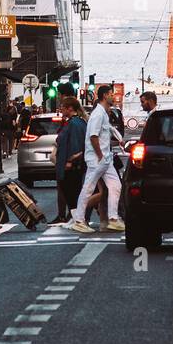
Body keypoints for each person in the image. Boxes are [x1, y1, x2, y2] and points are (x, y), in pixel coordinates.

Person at [71, 84, 125, 233]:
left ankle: (113, 218)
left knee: (115, 186)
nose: (113, 96)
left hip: (104, 159)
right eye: (111, 94)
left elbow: (101, 136)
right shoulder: (98, 114)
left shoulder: (103, 113)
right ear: (105, 96)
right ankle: (79, 220)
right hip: (97, 159)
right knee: (88, 187)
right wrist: (100, 155)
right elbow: (93, 136)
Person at [56, 97, 88, 222]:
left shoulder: (74, 123)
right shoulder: (76, 122)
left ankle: (76, 218)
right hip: (71, 164)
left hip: (71, 165)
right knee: (72, 192)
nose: (61, 109)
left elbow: (75, 144)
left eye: (63, 107)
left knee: (71, 193)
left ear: (70, 108)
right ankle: (76, 218)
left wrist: (70, 161)